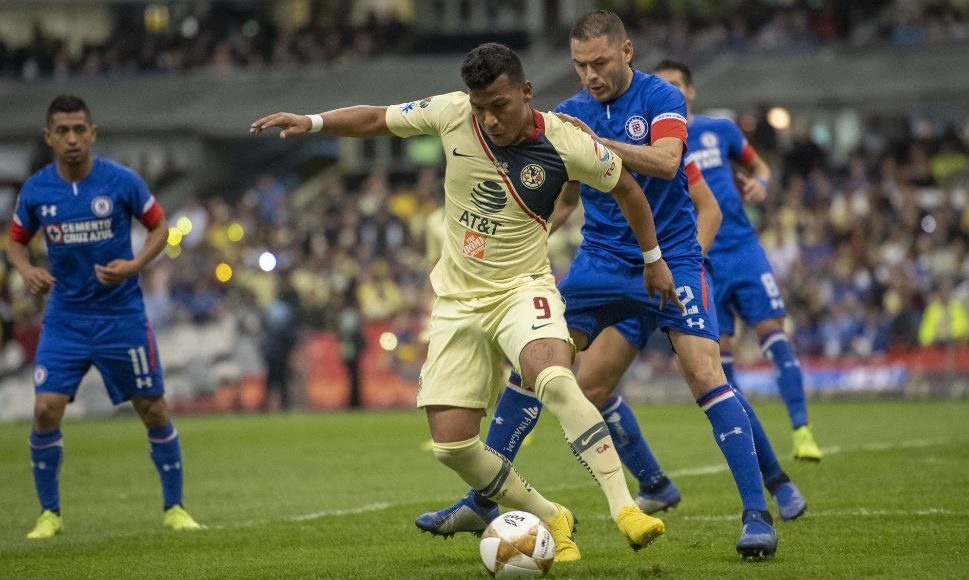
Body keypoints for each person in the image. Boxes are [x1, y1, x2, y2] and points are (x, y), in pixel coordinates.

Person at [250, 42, 675, 562]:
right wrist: (312, 122)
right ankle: (551, 515)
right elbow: (376, 119)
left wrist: (653, 258)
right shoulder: (452, 111)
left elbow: (629, 188)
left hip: (522, 288)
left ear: (526, 92)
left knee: (555, 377)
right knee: (453, 444)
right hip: (457, 301)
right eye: (481, 108)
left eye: (500, 105)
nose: (490, 119)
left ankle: (625, 509)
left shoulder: (566, 142)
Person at [416, 11, 785, 559]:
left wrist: (601, 143)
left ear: (627, 52)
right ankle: (483, 500)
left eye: (600, 63)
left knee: (707, 373)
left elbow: (664, 163)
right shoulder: (568, 115)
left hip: (672, 258)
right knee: (535, 369)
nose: (590, 75)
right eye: (580, 65)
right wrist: (532, 245)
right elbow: (562, 198)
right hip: (600, 262)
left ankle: (757, 514)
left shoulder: (662, 98)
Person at [9, 95, 202, 539]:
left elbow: (160, 226)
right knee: (44, 410)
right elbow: (16, 241)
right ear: (49, 137)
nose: (73, 139)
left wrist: (135, 266)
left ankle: (175, 507)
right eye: (63, 131)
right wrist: (25, 268)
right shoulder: (37, 190)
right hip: (66, 319)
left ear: (92, 133)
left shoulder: (122, 181)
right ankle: (49, 514)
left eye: (80, 129)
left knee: (153, 408)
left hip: (121, 316)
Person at [653, 59, 823, 461]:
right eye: (663, 86)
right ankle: (755, 448)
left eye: (678, 84)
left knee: (773, 333)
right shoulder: (657, 144)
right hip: (700, 257)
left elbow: (759, 166)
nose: (672, 92)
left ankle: (802, 431)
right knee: (719, 361)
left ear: (691, 90)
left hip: (743, 249)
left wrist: (760, 184)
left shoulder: (721, 130)